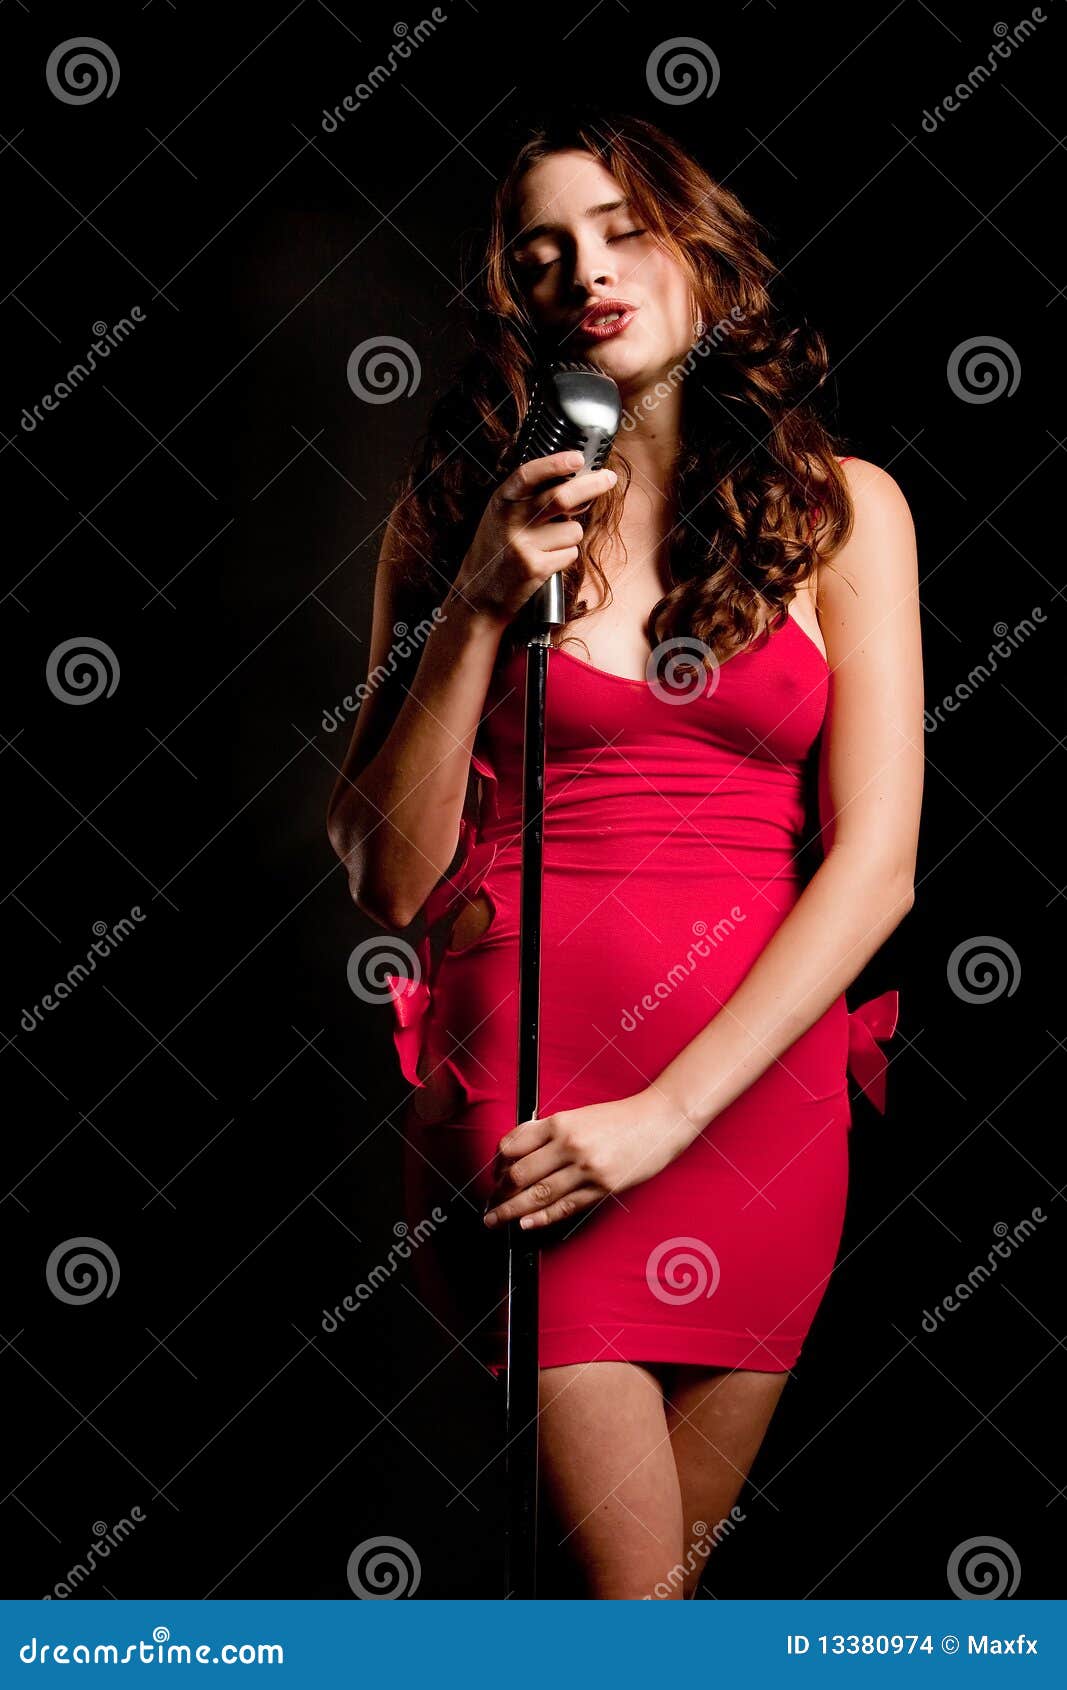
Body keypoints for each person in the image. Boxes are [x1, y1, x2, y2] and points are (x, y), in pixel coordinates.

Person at [326, 111, 923, 1600]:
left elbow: (879, 865)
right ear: (515, 306)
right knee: (627, 1615)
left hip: (753, 1105)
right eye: (542, 254)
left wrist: (669, 1113)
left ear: (702, 253)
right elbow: (389, 874)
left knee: (656, 1620)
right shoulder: (458, 519)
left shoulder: (847, 514)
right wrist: (473, 600)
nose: (582, 270)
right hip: (536, 1102)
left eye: (619, 228)